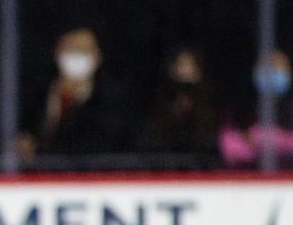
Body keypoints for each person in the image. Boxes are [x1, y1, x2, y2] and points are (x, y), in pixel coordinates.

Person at [19, 27, 129, 164]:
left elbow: (94, 151)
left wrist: (36, 152)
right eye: (71, 47)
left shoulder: (110, 103)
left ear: (97, 56)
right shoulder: (34, 94)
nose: (77, 54)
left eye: (84, 49)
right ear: (57, 51)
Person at [219, 50, 293, 168]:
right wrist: (258, 142)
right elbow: (229, 148)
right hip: (247, 178)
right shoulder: (240, 107)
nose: (270, 73)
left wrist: (271, 139)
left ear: (289, 73)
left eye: (277, 68)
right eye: (265, 68)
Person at [138, 46, 220, 162]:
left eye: (190, 66)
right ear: (171, 70)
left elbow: (210, 144)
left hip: (201, 168)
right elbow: (151, 142)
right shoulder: (161, 103)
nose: (184, 71)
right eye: (180, 65)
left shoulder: (208, 105)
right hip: (165, 166)